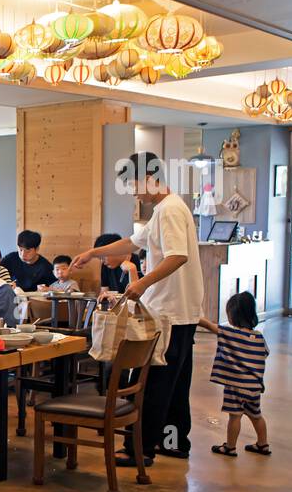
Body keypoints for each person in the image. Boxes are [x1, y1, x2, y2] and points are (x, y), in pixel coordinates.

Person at [71, 152, 203, 466]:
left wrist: (142, 284)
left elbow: (177, 256)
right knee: (174, 383)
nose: (132, 190)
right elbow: (131, 242)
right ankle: (174, 443)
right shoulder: (165, 209)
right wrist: (92, 252)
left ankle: (141, 450)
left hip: (170, 311)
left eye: (132, 182)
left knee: (155, 383)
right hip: (178, 311)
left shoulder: (169, 210)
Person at [201, 292, 270, 458]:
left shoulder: (230, 334)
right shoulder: (259, 337)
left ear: (233, 316)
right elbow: (265, 353)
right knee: (256, 416)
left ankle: (230, 447)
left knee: (235, 417)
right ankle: (263, 444)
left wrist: (195, 316)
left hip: (235, 386)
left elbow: (210, 326)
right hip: (254, 386)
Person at [93, 233, 141, 298]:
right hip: (114, 306)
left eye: (103, 257)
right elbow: (104, 292)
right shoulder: (106, 266)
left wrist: (132, 270)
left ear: (116, 250)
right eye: (100, 258)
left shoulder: (139, 262)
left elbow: (138, 296)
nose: (102, 261)